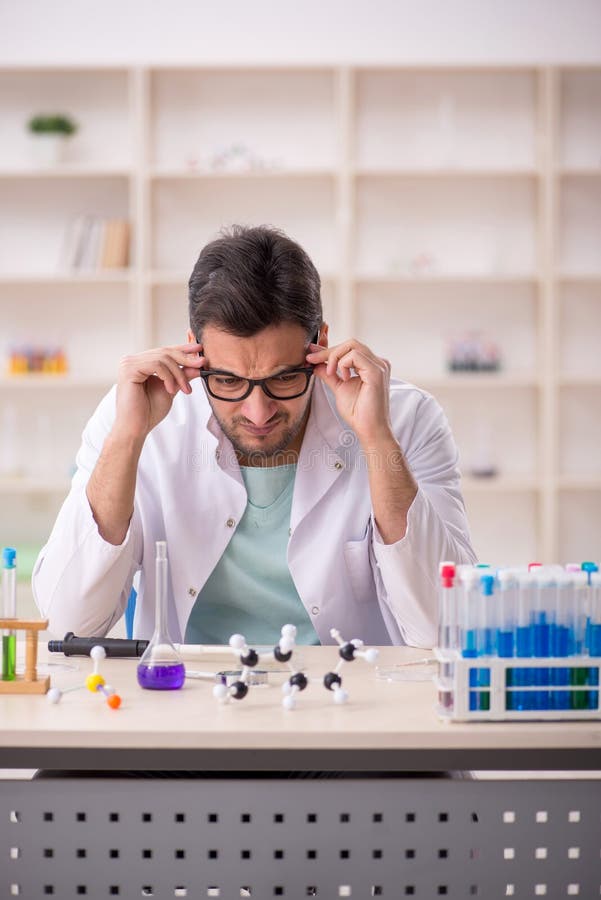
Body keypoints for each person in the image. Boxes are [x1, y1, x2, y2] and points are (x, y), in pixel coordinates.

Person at [33, 225, 476, 647]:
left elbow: (445, 626)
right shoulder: (135, 412)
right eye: (227, 381)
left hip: (350, 702)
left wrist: (377, 439)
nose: (257, 411)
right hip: (187, 697)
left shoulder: (405, 418)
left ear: (320, 344)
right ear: (194, 350)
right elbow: (68, 623)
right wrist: (128, 439)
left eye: (284, 380)